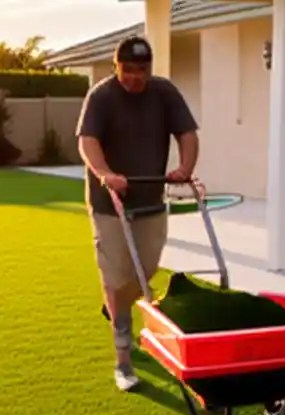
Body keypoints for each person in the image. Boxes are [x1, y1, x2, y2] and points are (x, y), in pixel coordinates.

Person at [75, 35, 199, 391]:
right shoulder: (101, 96)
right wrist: (105, 175)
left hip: (150, 199)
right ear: (117, 67)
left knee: (146, 274)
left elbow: (187, 134)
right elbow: (87, 142)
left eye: (141, 70)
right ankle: (124, 358)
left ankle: (116, 305)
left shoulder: (164, 93)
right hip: (109, 204)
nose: (134, 77)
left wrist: (185, 167)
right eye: (128, 70)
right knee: (117, 276)